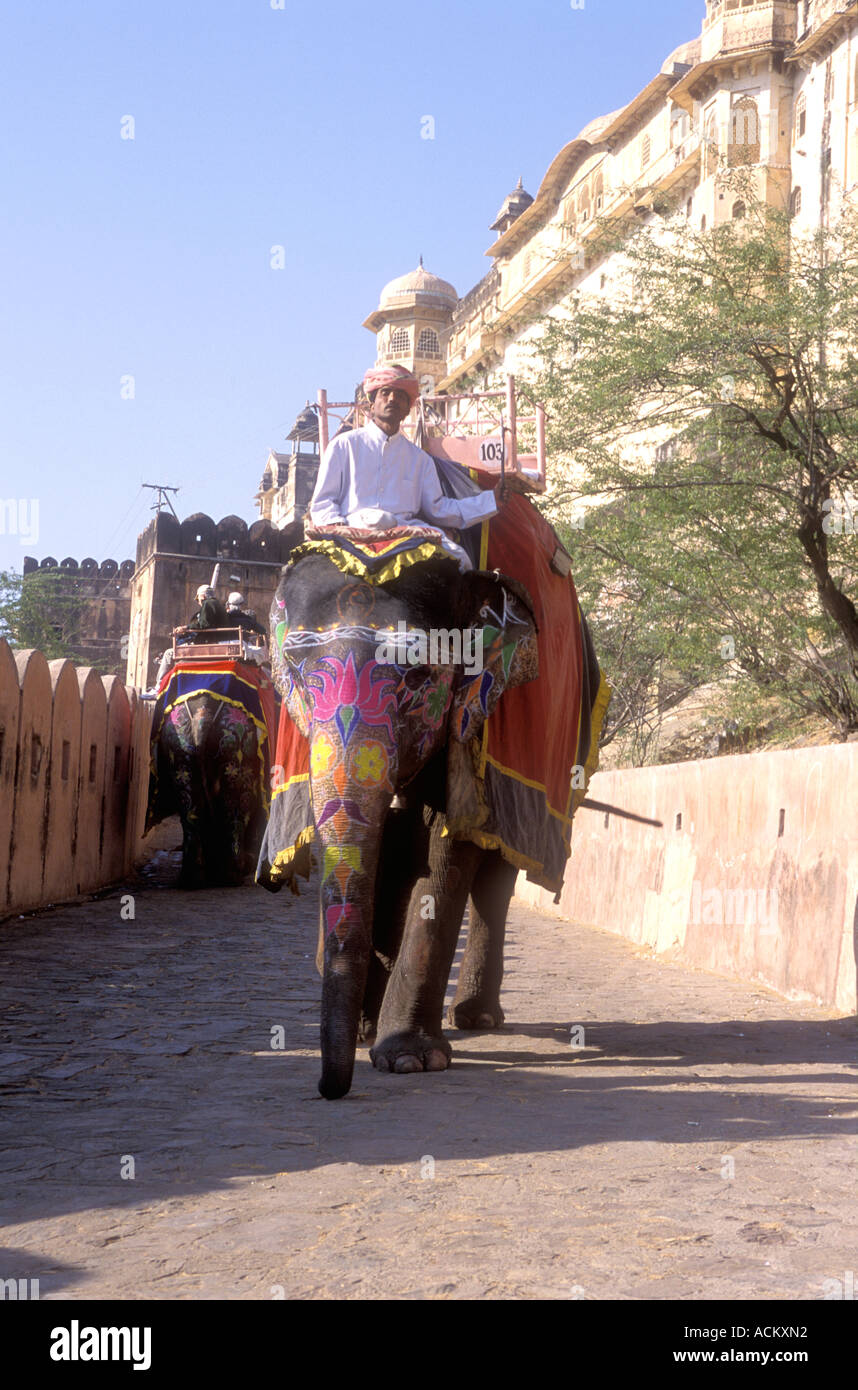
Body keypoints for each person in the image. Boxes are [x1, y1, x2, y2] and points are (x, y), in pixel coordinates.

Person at [308, 364, 501, 569]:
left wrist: (491, 501)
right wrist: (338, 527)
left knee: (459, 560)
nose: (392, 399)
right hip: (352, 528)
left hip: (406, 533)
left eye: (400, 395)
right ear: (371, 404)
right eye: (385, 393)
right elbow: (323, 502)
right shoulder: (344, 445)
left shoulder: (420, 460)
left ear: (408, 409)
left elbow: (439, 509)